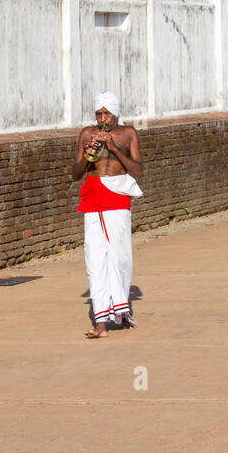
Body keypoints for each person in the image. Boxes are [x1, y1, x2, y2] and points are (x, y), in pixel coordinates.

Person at [72, 91, 144, 338]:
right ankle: (101, 322)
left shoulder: (128, 134)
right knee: (95, 258)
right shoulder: (87, 134)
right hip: (93, 197)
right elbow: (75, 172)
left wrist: (113, 147)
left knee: (119, 257)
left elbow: (138, 171)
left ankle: (121, 311)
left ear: (116, 113)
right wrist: (87, 152)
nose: (103, 118)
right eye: (99, 113)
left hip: (116, 198)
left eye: (107, 113)